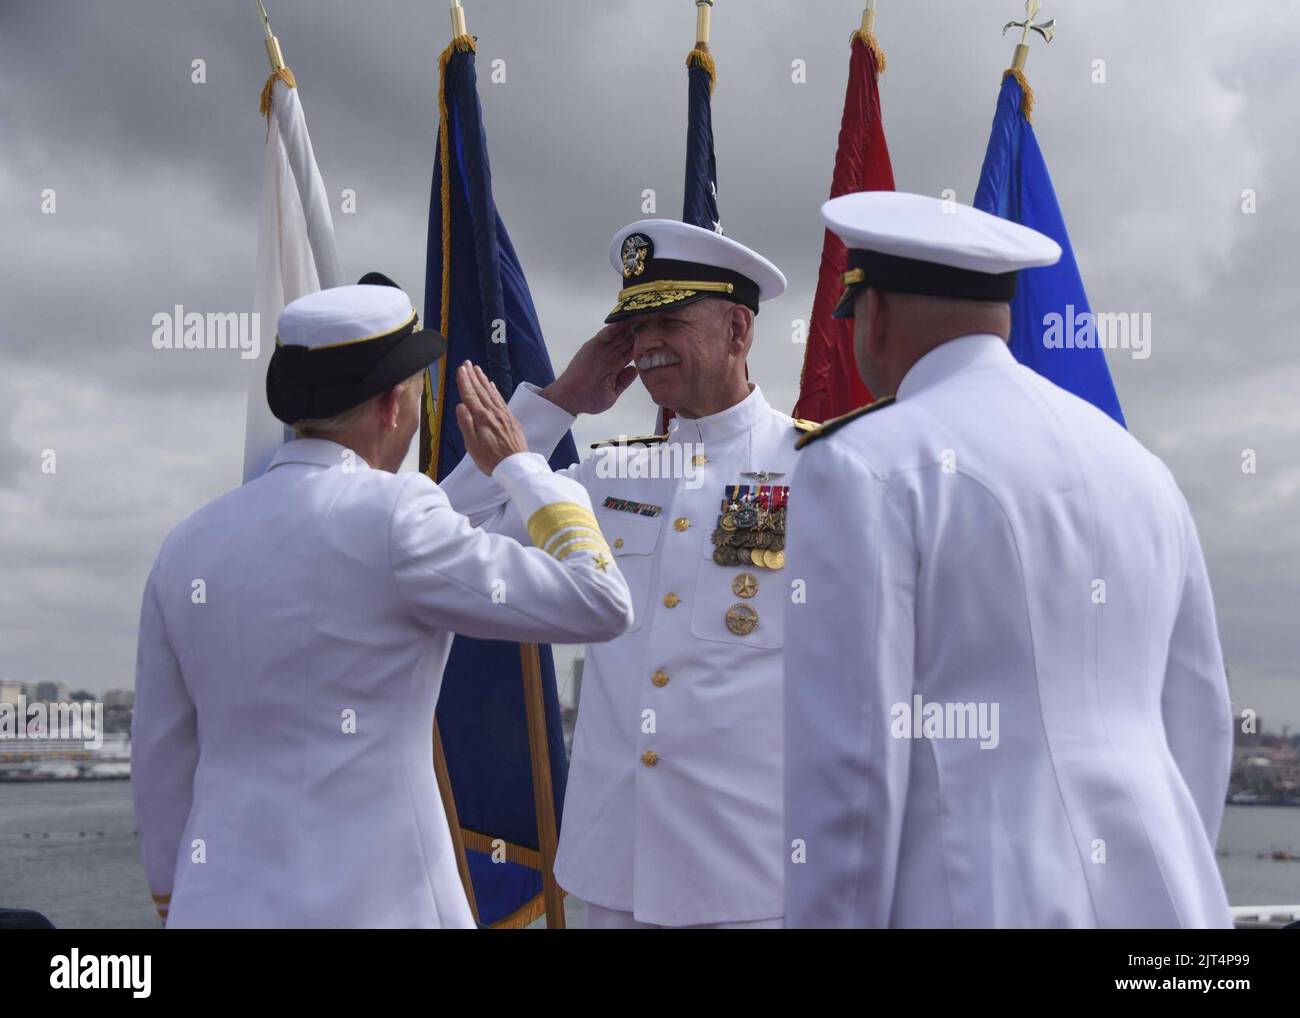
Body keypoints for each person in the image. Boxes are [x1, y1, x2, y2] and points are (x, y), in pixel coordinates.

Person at [783, 191, 1234, 928]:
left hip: (973, 895)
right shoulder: (1143, 468)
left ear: (877, 314)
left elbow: (851, 774)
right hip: (1165, 901)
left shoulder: (862, 466)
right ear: (1001, 316)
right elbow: (1202, 717)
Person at [132, 281, 632, 928]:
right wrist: (522, 467)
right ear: (396, 404)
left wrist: (556, 406)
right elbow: (598, 599)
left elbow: (159, 761)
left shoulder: (188, 544)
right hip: (379, 908)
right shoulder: (395, 518)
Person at [442, 219, 810, 928]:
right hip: (615, 872)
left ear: (739, 330)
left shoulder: (819, 469)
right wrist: (557, 406)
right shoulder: (611, 473)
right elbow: (447, 543)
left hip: (753, 879)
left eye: (670, 320)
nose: (646, 345)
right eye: (635, 328)